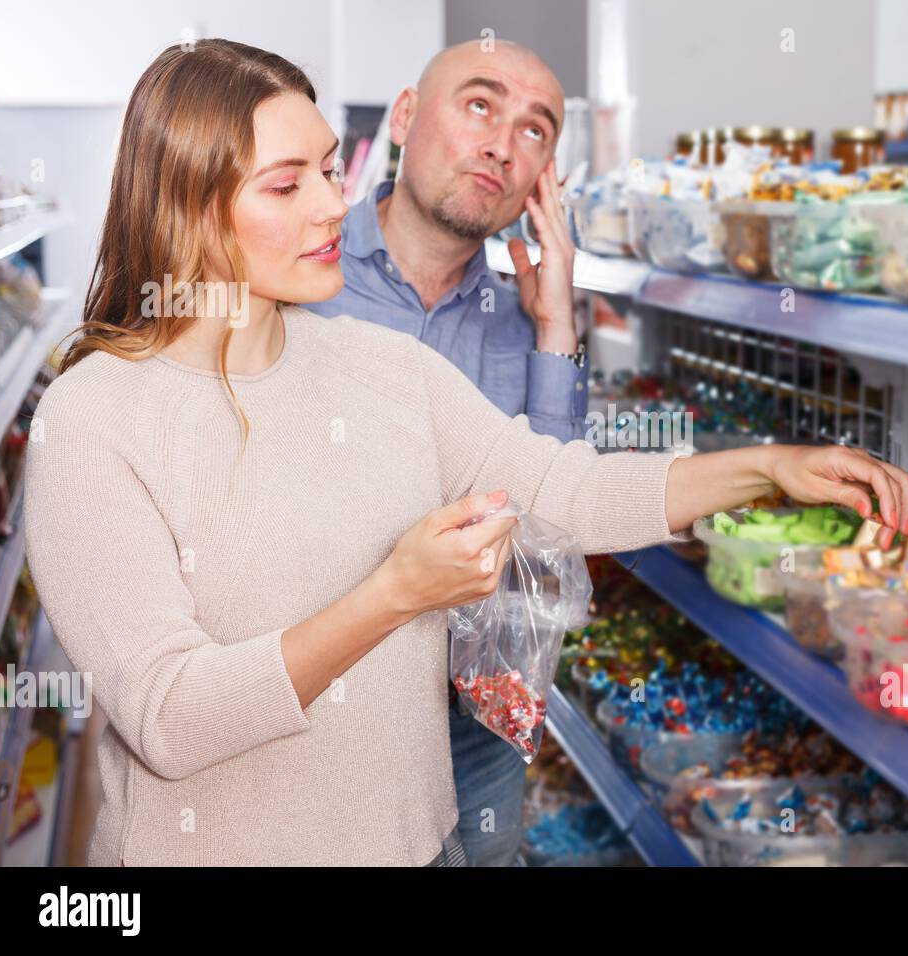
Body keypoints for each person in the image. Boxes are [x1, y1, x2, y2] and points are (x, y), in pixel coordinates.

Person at [22, 39, 908, 867]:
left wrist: (768, 467)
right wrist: (393, 596)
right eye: (286, 184)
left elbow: (557, 487)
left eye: (332, 170)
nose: (335, 203)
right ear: (186, 200)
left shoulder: (384, 367)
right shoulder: (96, 419)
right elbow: (170, 716)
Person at [301, 39, 587, 866]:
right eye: (479, 105)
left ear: (544, 180)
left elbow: (552, 523)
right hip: (317, 700)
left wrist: (556, 328)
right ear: (403, 117)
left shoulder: (529, 323)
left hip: (474, 718)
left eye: (536, 130)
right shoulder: (295, 271)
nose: (503, 142)